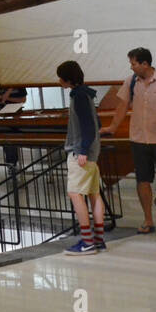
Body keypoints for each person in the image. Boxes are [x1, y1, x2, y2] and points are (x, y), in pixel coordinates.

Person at [102, 47, 156, 236]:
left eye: (134, 63)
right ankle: (148, 219)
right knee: (142, 180)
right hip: (138, 139)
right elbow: (122, 106)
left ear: (145, 64)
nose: (131, 67)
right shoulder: (130, 82)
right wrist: (112, 127)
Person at [57, 60, 106, 255]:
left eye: (60, 77)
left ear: (67, 78)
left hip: (81, 151)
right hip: (93, 150)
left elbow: (86, 125)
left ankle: (87, 242)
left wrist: (83, 150)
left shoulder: (78, 96)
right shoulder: (87, 94)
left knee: (75, 193)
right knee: (94, 194)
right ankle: (98, 239)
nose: (59, 81)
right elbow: (95, 121)